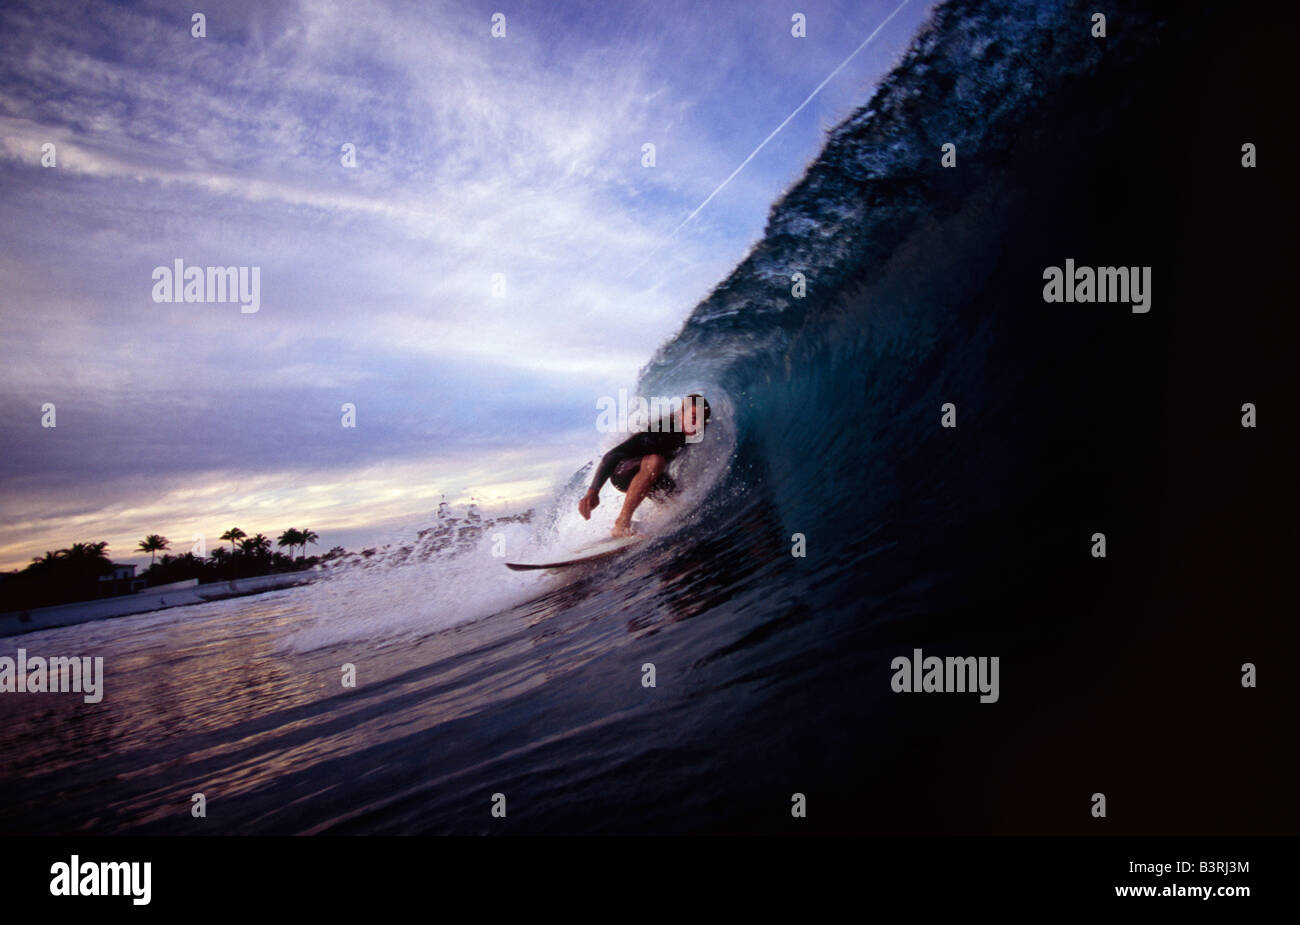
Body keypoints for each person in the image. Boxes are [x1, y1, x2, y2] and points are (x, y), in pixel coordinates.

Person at [578, 393, 711, 537]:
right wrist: (593, 491)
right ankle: (621, 524)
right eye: (693, 417)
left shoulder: (689, 432)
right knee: (656, 461)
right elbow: (613, 455)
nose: (697, 425)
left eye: (701, 420)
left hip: (651, 475)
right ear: (680, 414)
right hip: (624, 471)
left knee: (680, 504)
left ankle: (647, 525)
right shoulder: (662, 428)